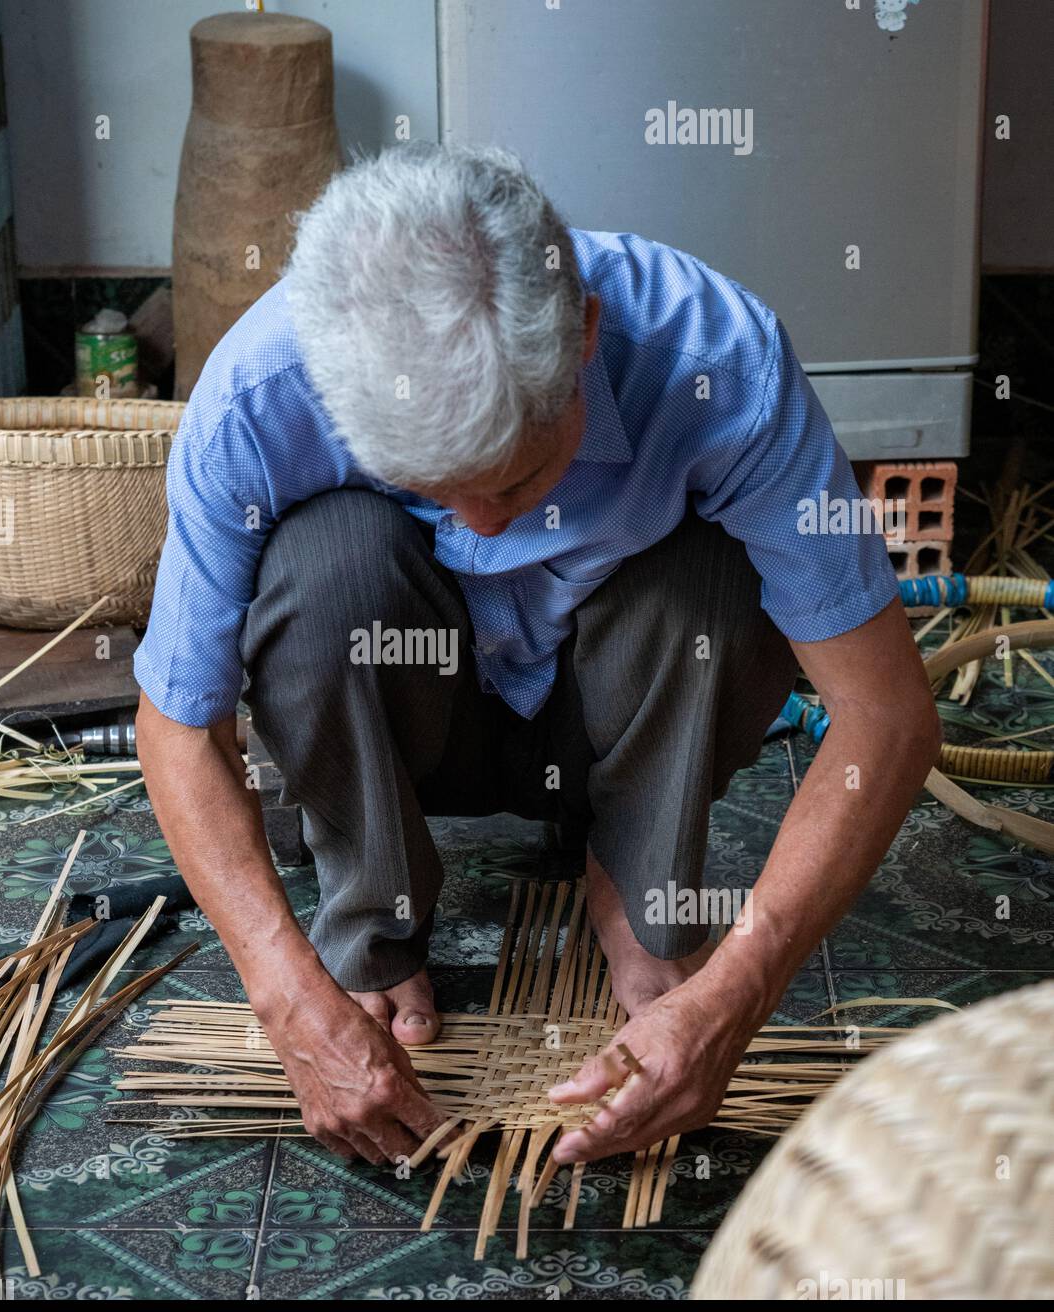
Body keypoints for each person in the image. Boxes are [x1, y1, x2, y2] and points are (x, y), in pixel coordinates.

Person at [134, 143, 941, 1168]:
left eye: (513, 484)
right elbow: (176, 727)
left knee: (715, 582)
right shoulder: (259, 395)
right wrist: (282, 987)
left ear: (584, 339)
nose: (480, 523)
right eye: (430, 489)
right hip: (414, 722)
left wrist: (743, 988)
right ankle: (371, 931)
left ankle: (636, 881)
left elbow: (885, 716)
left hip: (612, 709)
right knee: (328, 566)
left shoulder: (715, 362)